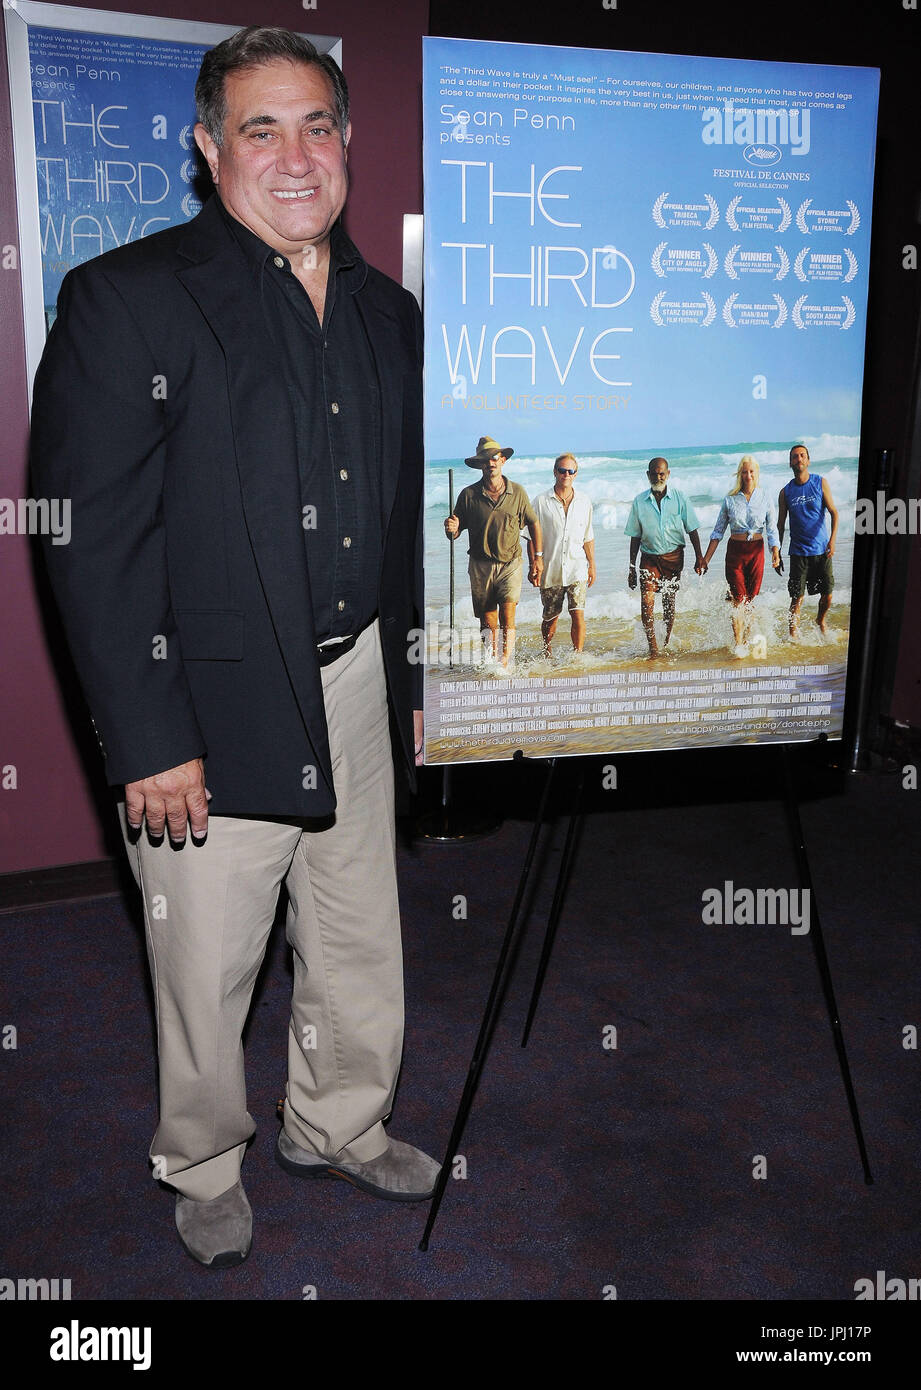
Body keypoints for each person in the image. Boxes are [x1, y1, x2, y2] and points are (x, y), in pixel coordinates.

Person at [30, 26, 439, 1270]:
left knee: (360, 926)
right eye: (261, 128)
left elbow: (409, 521)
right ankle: (203, 1159)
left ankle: (339, 1121)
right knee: (208, 957)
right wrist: (146, 737)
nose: (296, 153)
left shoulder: (389, 314)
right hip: (206, 694)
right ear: (210, 151)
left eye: (318, 123)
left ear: (348, 143)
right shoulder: (127, 298)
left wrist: (428, 682)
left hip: (357, 670)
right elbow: (90, 542)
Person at [444, 435, 542, 666]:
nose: (491, 463)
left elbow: (533, 523)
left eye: (495, 458)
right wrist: (452, 528)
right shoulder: (468, 495)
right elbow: (455, 532)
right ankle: (491, 660)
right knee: (488, 621)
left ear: (503, 460)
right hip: (480, 565)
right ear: (480, 464)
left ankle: (505, 662)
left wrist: (538, 558)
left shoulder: (518, 492)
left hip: (511, 563)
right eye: (485, 460)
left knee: (508, 614)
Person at [624, 457, 705, 658]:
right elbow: (635, 536)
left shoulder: (680, 498)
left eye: (661, 473)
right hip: (649, 559)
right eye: (654, 473)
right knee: (647, 603)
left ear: (668, 474)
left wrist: (699, 557)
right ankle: (653, 649)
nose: (658, 477)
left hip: (673, 558)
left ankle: (665, 642)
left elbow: (692, 529)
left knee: (669, 603)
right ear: (648, 475)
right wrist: (631, 567)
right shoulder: (639, 501)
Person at [701, 456, 781, 657]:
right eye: (744, 471)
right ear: (740, 474)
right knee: (738, 599)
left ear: (757, 473)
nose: (748, 475)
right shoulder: (730, 499)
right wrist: (706, 559)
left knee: (750, 600)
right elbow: (718, 531)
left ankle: (745, 640)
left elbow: (772, 529)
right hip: (735, 552)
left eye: (752, 471)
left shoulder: (765, 497)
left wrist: (775, 552)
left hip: (756, 552)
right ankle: (738, 645)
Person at [528, 453, 596, 655]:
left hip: (577, 567)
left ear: (576, 474)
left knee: (578, 614)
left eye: (570, 471)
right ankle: (546, 652)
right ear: (555, 472)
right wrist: (533, 564)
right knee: (550, 617)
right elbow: (530, 537)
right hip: (551, 568)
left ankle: (578, 655)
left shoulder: (584, 501)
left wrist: (592, 564)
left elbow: (588, 536)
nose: (566, 474)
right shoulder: (540, 501)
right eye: (562, 470)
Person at [777, 443, 839, 637]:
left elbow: (834, 513)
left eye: (802, 455)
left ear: (808, 460)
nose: (799, 459)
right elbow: (780, 525)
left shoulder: (820, 482)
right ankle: (793, 635)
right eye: (795, 456)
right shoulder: (785, 492)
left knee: (827, 595)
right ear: (790, 463)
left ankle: (820, 620)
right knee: (797, 598)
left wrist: (832, 540)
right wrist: (777, 552)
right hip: (798, 554)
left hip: (822, 550)